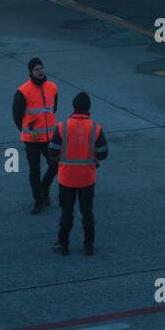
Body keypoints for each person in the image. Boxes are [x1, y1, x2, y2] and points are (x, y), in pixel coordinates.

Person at [49, 92, 108, 256]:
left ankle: (63, 244)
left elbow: (52, 150)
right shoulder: (96, 128)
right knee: (87, 213)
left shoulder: (63, 127)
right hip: (87, 179)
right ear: (88, 108)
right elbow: (103, 153)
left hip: (66, 178)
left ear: (73, 107)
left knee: (67, 212)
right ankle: (88, 245)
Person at [13, 57, 59, 215]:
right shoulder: (23, 91)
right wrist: (27, 130)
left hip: (50, 137)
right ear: (31, 72)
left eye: (42, 68)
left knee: (55, 165)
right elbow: (17, 116)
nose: (40, 71)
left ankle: (44, 187)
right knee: (34, 171)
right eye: (37, 69)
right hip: (32, 140)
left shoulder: (52, 87)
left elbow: (53, 109)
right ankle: (38, 200)